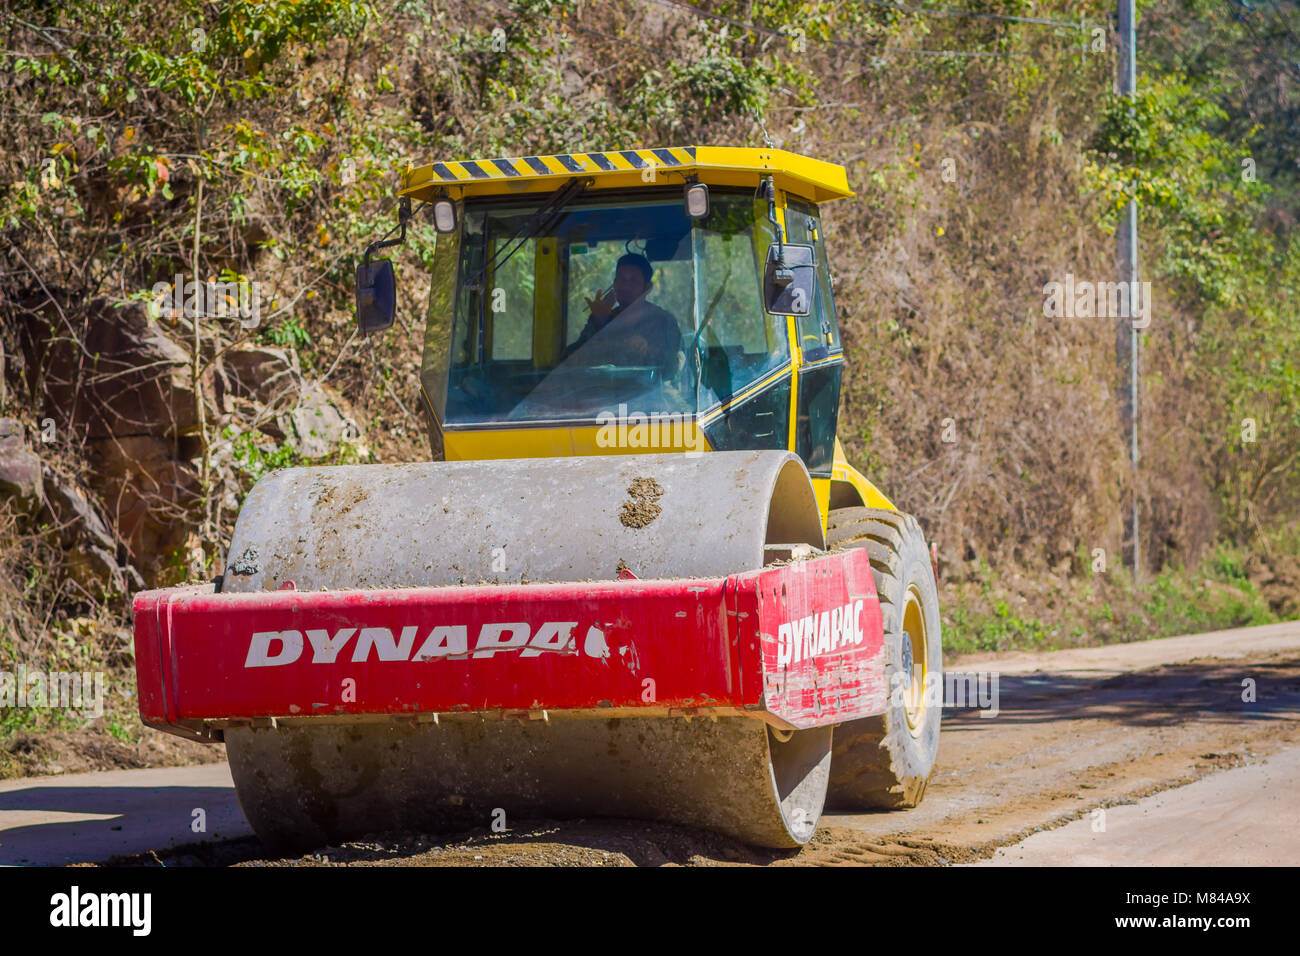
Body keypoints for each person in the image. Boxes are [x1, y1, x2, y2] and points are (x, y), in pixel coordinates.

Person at [566, 253, 682, 378]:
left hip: (646, 395)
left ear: (647, 288)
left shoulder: (663, 321)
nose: (625, 286)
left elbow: (669, 370)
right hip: (599, 392)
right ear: (614, 284)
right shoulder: (604, 318)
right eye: (621, 279)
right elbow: (570, 360)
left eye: (633, 280)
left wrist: (644, 350)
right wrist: (598, 320)